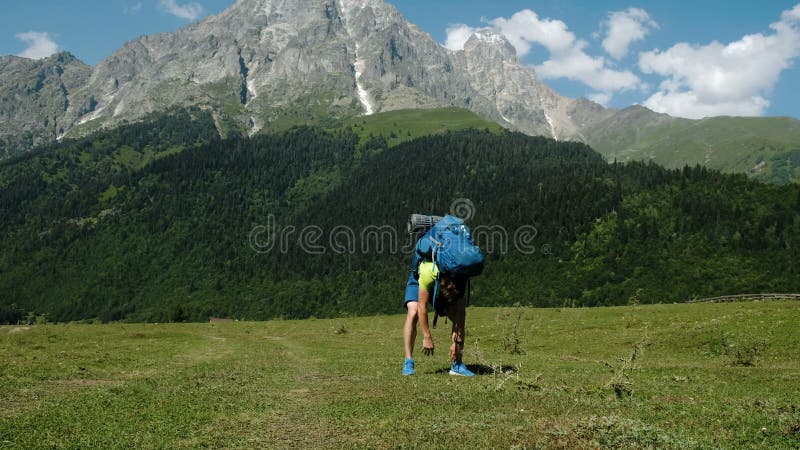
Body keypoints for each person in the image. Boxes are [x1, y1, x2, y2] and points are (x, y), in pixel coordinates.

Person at [402, 259, 475, 377]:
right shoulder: (427, 275)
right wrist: (427, 337)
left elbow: (461, 314)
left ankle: (457, 364)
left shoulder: (461, 278)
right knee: (413, 311)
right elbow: (422, 307)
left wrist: (457, 342)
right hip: (419, 277)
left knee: (455, 313)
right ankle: (408, 361)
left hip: (447, 280)